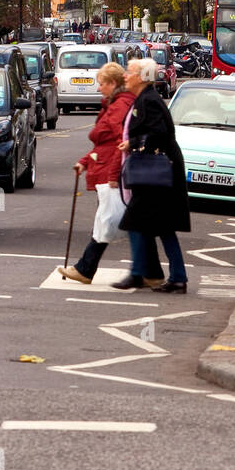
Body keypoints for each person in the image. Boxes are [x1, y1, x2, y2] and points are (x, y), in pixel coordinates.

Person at [111, 57, 191, 293]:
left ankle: (144, 274)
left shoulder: (149, 101)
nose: (125, 75)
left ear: (142, 77)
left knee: (138, 221)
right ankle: (173, 277)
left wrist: (132, 143)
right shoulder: (144, 99)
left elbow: (159, 133)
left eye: (130, 72)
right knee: (160, 226)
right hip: (157, 173)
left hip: (157, 174)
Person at [58, 63, 132, 284]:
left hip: (110, 172)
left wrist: (113, 175)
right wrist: (84, 162)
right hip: (105, 168)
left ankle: (85, 268)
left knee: (107, 221)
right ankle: (149, 271)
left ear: (112, 84)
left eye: (101, 84)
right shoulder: (113, 104)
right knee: (108, 222)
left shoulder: (119, 107)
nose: (98, 88)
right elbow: (105, 144)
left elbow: (122, 142)